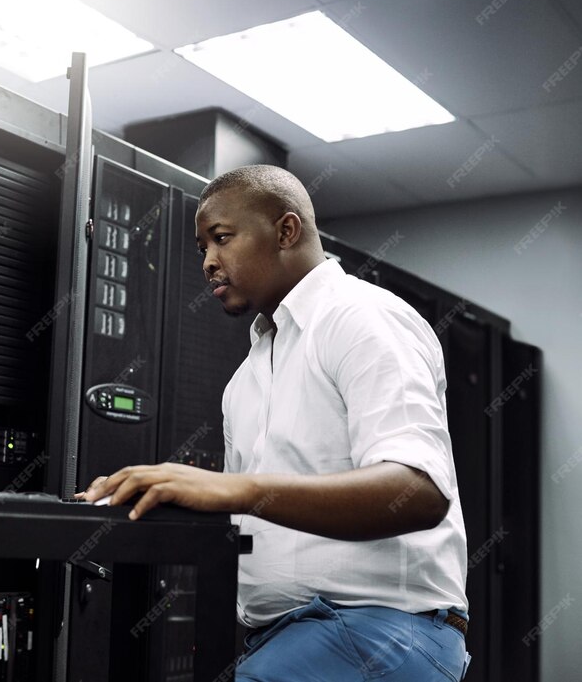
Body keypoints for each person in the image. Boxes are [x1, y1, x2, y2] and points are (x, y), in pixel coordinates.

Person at [77, 165, 470, 681]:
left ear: (286, 231)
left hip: (380, 629)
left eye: (221, 239)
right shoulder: (246, 380)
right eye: (202, 249)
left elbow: (418, 490)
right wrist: (161, 496)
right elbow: (250, 515)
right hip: (290, 634)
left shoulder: (361, 317)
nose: (210, 263)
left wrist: (233, 489)